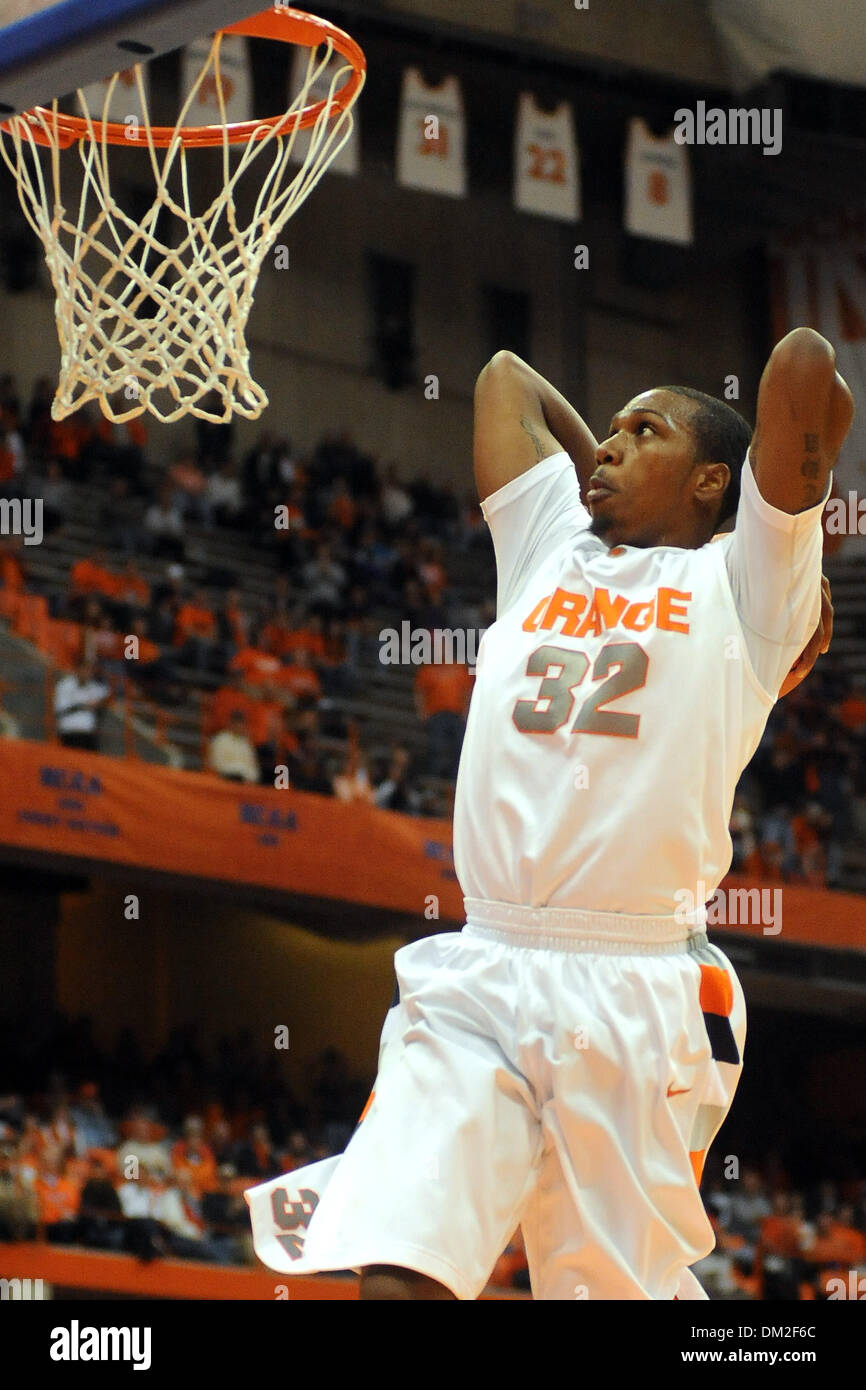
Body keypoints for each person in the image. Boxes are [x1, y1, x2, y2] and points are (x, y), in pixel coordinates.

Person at [246, 330, 848, 1300]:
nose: (605, 444)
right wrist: (596, 469)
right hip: (480, 964)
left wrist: (788, 500)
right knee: (398, 1254)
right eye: (605, 431)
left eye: (639, 431)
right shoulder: (547, 545)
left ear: (707, 484)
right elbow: (500, 380)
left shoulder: (745, 586)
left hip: (635, 984)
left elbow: (799, 369)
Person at [54, 658, 110, 751]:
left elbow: (107, 693)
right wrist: (83, 706)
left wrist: (100, 703)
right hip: (69, 732)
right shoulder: (65, 685)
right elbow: (60, 709)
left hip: (88, 734)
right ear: (77, 670)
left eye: (89, 671)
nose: (86, 674)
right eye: (84, 670)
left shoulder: (93, 687)